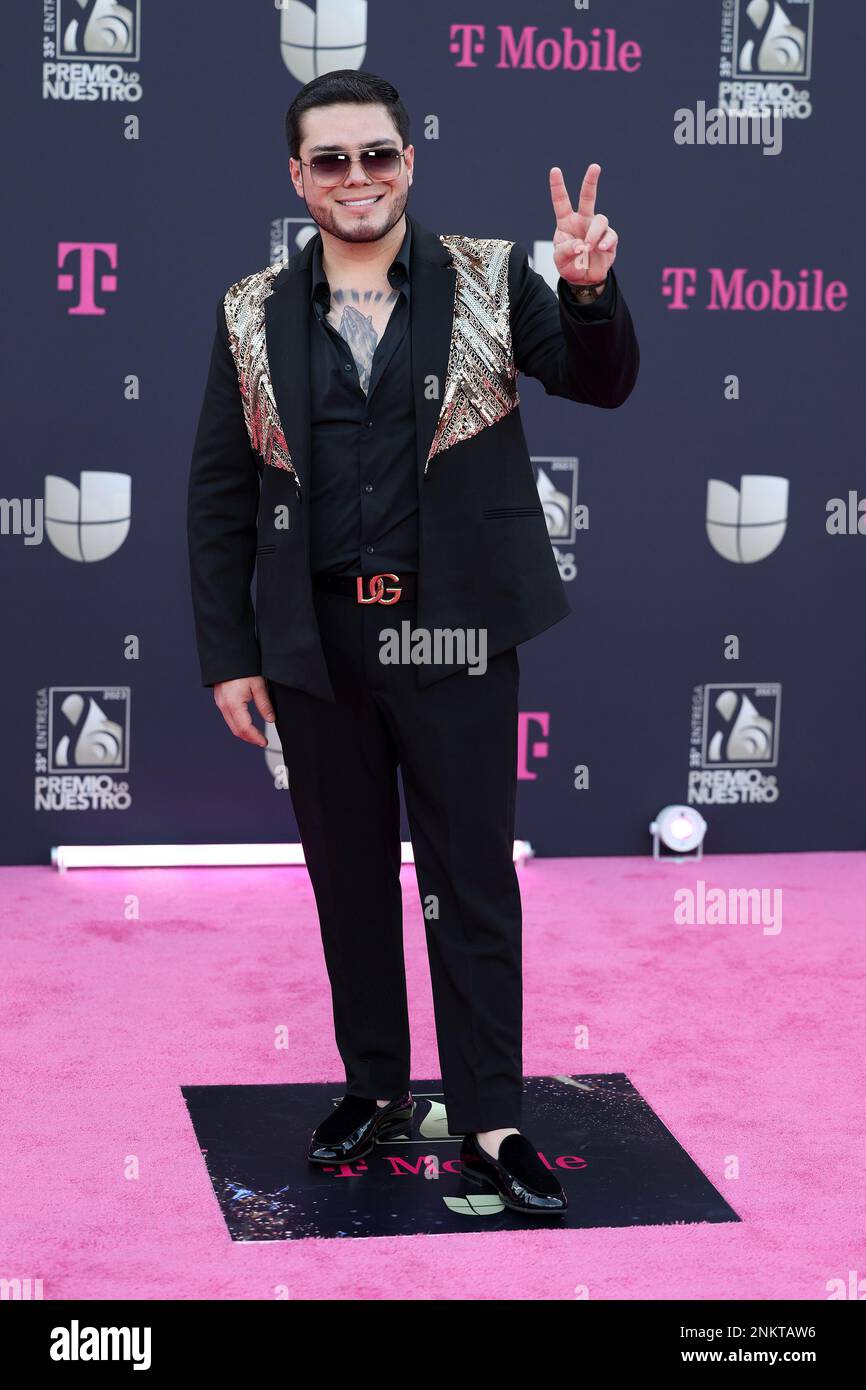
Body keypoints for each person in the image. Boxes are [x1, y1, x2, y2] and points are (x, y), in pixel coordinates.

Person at [187, 69, 639, 1216]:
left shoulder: (490, 277)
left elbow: (601, 384)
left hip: (452, 634)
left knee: (468, 879)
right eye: (330, 160)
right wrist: (229, 649)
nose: (356, 178)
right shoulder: (249, 308)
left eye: (376, 154)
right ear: (296, 176)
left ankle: (490, 1118)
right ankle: (375, 1084)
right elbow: (218, 494)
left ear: (408, 160)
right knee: (346, 878)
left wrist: (588, 293)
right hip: (314, 639)